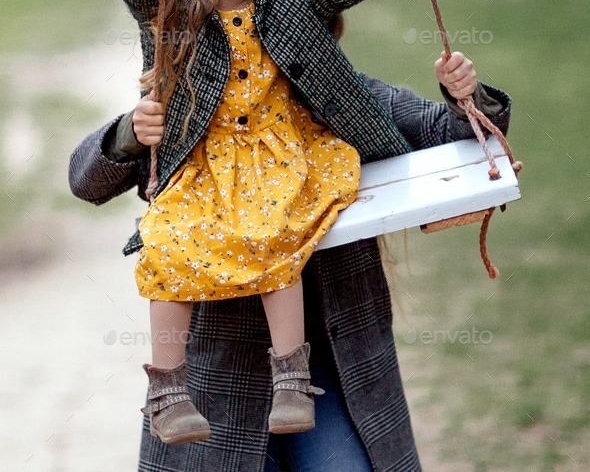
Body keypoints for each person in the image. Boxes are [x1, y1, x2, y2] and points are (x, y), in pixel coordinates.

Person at [106, 0, 428, 445]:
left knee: (276, 227)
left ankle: (291, 377)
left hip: (281, 155)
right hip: (207, 162)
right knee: (168, 239)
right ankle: (168, 388)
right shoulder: (173, 6)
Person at [69, 61, 510, 472]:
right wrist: (131, 130)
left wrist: (464, 94)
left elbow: (451, 131)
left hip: (331, 370)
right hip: (218, 383)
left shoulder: (340, 93)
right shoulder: (191, 104)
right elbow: (85, 180)